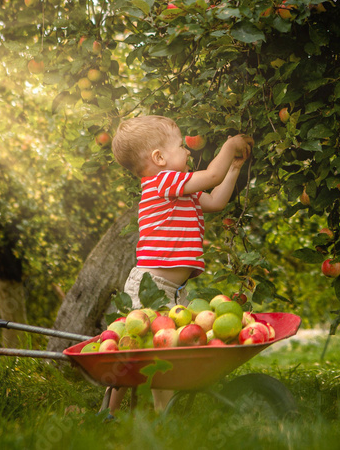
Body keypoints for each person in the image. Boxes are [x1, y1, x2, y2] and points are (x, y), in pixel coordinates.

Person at [105, 114, 253, 413]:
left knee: (161, 354)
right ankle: (109, 412)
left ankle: (159, 415)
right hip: (151, 286)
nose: (188, 151)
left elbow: (216, 201)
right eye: (181, 146)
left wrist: (235, 167)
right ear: (159, 158)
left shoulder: (180, 189)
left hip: (172, 290)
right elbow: (211, 176)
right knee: (131, 352)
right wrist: (230, 146)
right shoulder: (163, 181)